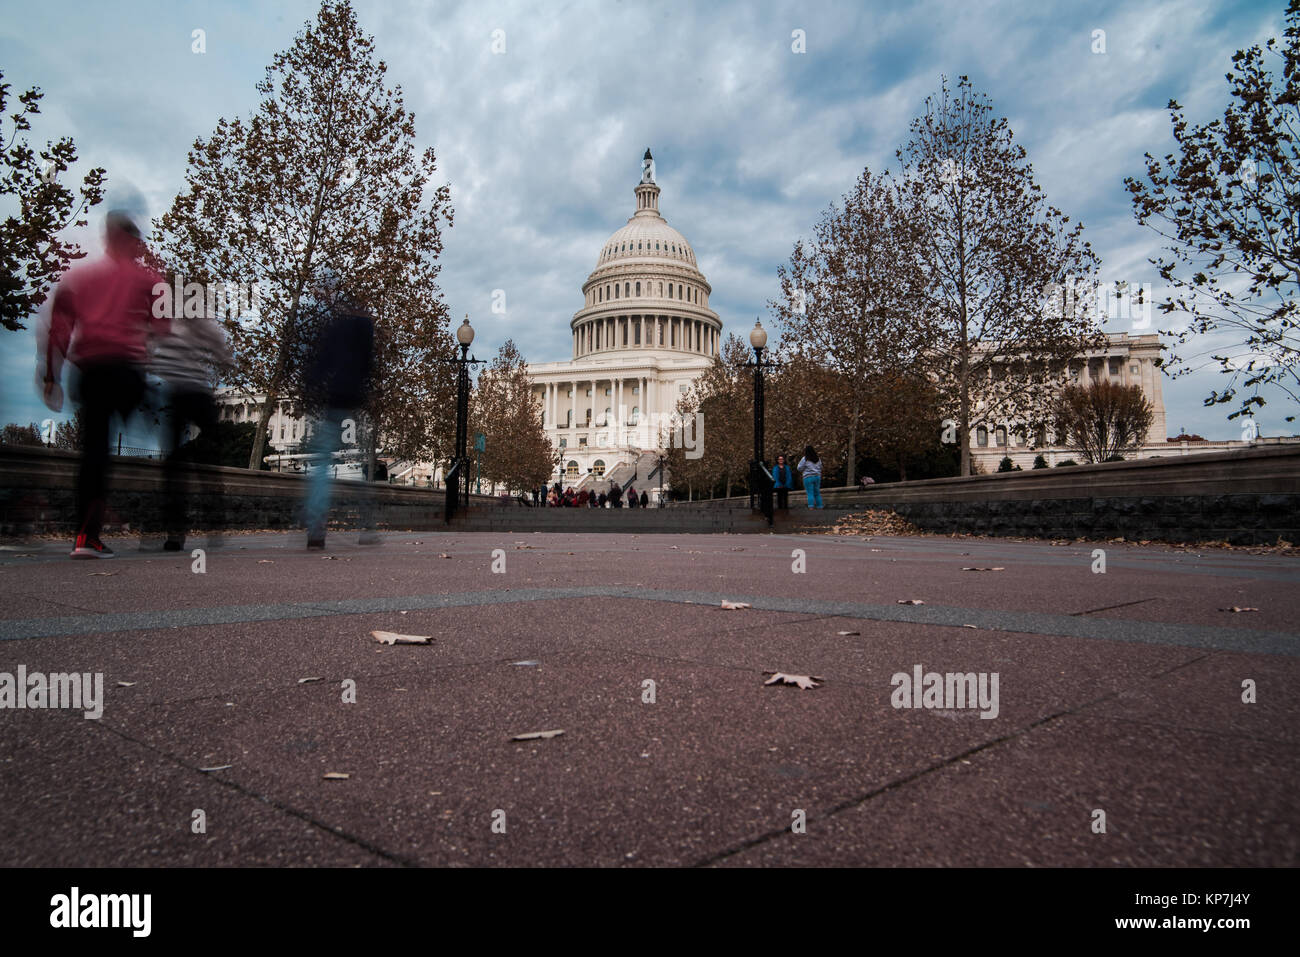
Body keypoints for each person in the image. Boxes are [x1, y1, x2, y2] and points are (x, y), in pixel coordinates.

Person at [43, 210, 168, 558]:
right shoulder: (147, 280)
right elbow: (161, 328)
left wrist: (51, 375)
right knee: (137, 422)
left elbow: (59, 330)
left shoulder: (80, 277)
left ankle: (86, 535)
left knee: (94, 450)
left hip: (89, 370)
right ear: (132, 242)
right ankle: (150, 421)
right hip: (125, 369)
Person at [151, 309, 233, 550]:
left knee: (174, 468)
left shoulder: (165, 326)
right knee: (208, 463)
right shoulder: (201, 322)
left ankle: (175, 532)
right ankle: (215, 524)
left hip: (175, 393)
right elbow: (222, 352)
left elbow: (150, 357)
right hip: (197, 393)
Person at [303, 283, 376, 549]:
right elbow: (368, 364)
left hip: (330, 397)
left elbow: (319, 363)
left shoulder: (333, 326)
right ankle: (367, 522)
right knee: (355, 458)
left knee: (323, 463)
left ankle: (316, 523)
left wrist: (312, 386)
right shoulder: (363, 327)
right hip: (351, 397)